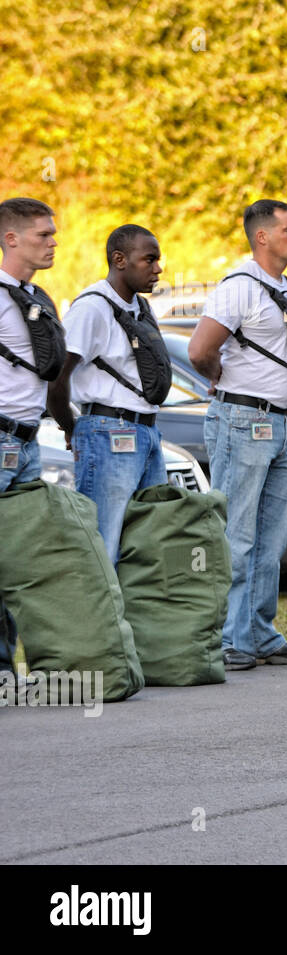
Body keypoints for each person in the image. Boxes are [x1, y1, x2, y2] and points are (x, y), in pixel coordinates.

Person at [189, 199, 287, 671]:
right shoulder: (239, 286)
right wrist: (222, 377)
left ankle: (259, 633)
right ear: (261, 236)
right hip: (242, 419)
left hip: (280, 421)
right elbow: (201, 349)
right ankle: (227, 638)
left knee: (270, 536)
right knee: (237, 536)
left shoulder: (283, 287)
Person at [48, 225, 171, 563]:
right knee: (104, 544)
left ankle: (130, 617)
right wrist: (72, 428)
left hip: (147, 430)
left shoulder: (140, 308)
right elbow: (57, 378)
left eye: (158, 260)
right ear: (119, 260)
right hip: (107, 432)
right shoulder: (92, 307)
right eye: (149, 259)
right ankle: (98, 617)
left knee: (147, 541)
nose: (158, 268)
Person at [0, 197, 58, 678]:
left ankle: (7, 666)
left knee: (19, 558)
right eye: (42, 235)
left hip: (29, 442)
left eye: (53, 233)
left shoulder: (37, 298)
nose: (53, 242)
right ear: (11, 239)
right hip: (0, 439)